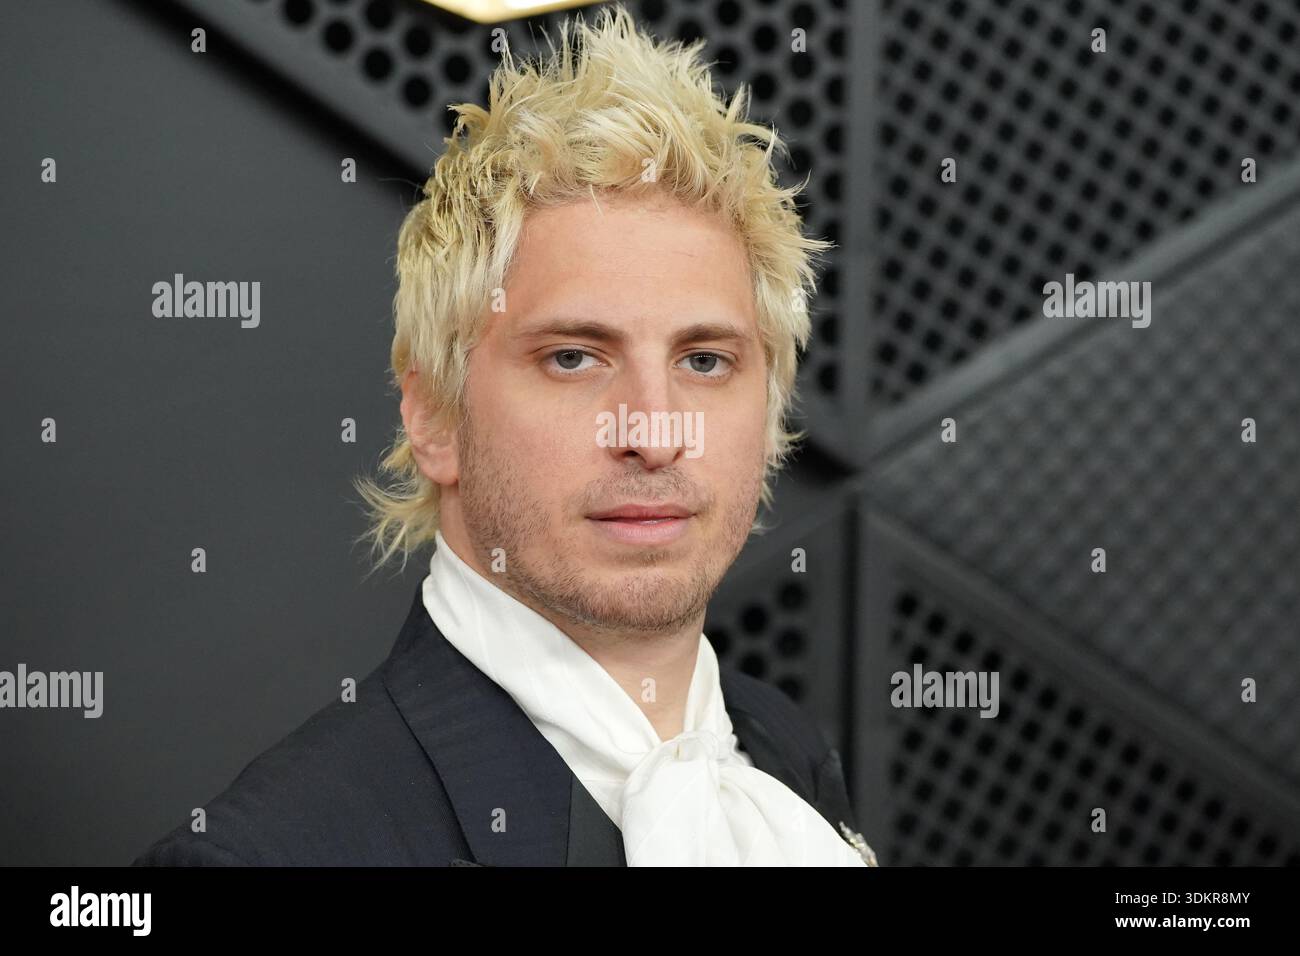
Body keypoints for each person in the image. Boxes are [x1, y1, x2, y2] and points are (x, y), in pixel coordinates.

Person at [133, 3, 875, 867]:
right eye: (573, 357)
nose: (652, 429)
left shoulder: (784, 748)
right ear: (434, 415)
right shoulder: (266, 856)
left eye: (706, 362)